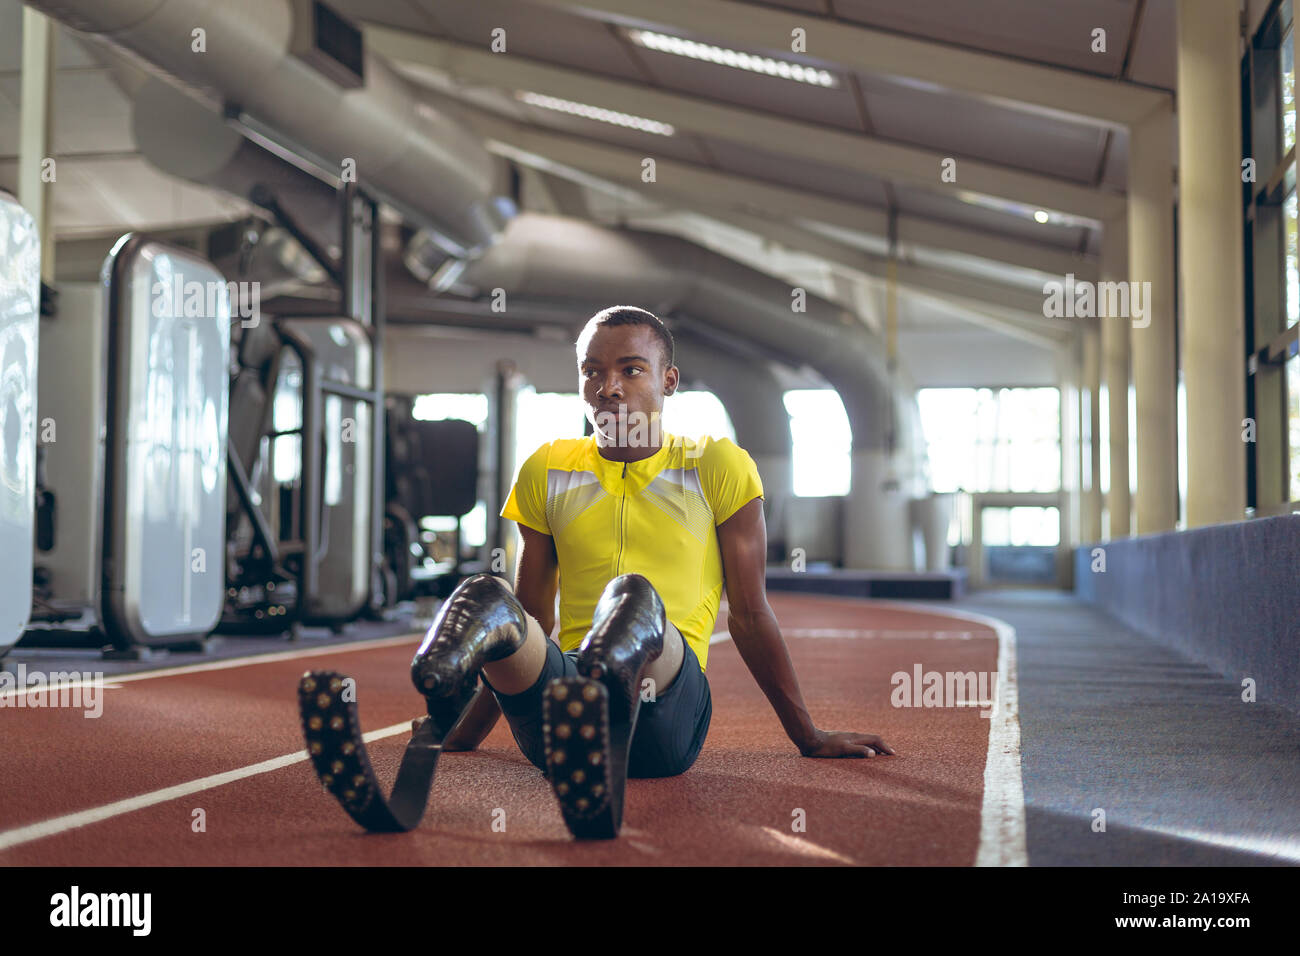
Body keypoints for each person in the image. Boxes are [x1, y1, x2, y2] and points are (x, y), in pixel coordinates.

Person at [417, 305, 895, 839]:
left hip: (667, 711)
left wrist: (808, 735)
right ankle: (446, 684)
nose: (609, 388)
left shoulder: (716, 465)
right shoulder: (547, 468)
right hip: (560, 713)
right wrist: (464, 732)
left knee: (632, 598)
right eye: (592, 371)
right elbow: (531, 624)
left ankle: (607, 679)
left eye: (631, 369)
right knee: (491, 599)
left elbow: (751, 615)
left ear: (669, 381)